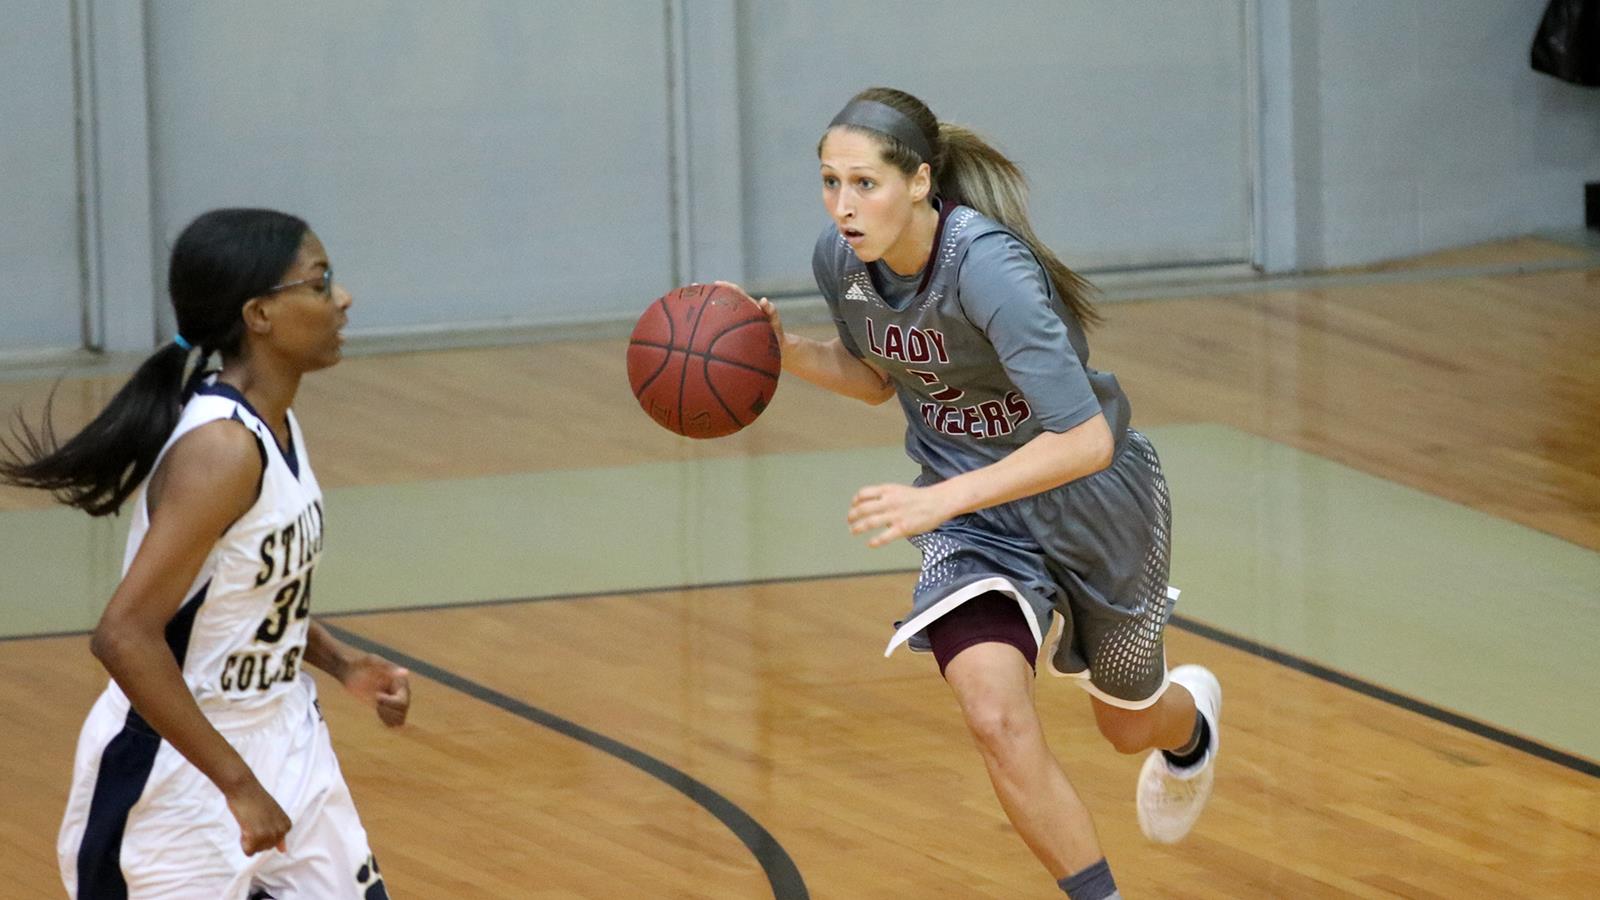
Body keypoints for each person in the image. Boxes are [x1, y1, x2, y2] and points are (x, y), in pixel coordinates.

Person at [720, 88, 1221, 899]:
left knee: (1127, 724)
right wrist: (785, 350)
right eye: (829, 182)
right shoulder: (841, 265)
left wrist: (939, 501)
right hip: (974, 518)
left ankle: (1189, 727)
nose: (843, 206)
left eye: (864, 184)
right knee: (993, 714)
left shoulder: (989, 268)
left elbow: (1085, 439)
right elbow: (882, 378)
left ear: (919, 181)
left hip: (1094, 500)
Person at [1, 208, 409, 899]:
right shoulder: (220, 449)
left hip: (286, 737)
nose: (342, 299)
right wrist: (239, 786)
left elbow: (236, 595)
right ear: (259, 314)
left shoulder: (277, 425)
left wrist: (340, 661)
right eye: (320, 283)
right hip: (179, 770)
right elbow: (124, 636)